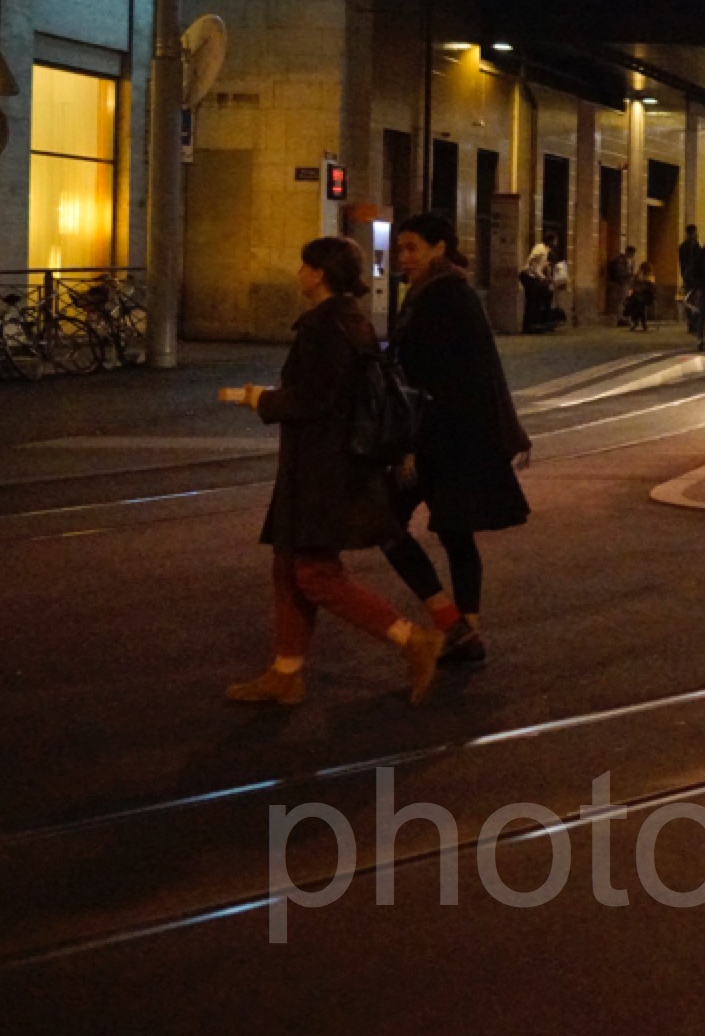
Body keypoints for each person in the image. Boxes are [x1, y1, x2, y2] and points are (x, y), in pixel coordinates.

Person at [224, 236, 441, 707]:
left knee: (316, 573)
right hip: (324, 463)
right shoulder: (350, 321)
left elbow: (315, 398)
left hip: (324, 469)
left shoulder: (326, 327)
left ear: (319, 273)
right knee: (287, 565)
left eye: (305, 266)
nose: (299, 273)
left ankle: (413, 640)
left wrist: (261, 399)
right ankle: (285, 671)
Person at [377, 213, 531, 670]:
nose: (403, 258)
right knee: (455, 533)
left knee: (384, 524)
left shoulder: (441, 296)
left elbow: (429, 378)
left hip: (439, 439)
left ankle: (456, 627)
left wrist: (408, 448)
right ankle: (466, 631)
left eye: (412, 248)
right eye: (400, 249)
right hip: (458, 437)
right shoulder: (446, 289)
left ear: (438, 248)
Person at [519, 232, 554, 334]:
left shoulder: (541, 248)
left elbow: (537, 263)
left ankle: (531, 325)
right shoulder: (542, 251)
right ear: (550, 241)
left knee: (533, 300)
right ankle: (531, 326)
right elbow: (535, 267)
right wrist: (543, 278)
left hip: (528, 275)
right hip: (529, 276)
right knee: (533, 301)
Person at [677, 224, 704, 333]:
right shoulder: (688, 247)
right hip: (691, 278)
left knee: (695, 301)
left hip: (693, 278)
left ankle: (694, 322)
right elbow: (684, 263)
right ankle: (692, 323)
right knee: (691, 301)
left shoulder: (693, 246)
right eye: (694, 233)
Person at [605, 245, 635, 325]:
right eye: (632, 253)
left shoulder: (630, 261)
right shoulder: (621, 260)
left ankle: (624, 318)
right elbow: (620, 272)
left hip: (626, 283)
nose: (632, 255)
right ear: (628, 252)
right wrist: (628, 275)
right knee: (621, 301)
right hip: (621, 283)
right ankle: (621, 318)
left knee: (625, 301)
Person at [627, 261, 657, 331]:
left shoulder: (646, 275)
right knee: (640, 310)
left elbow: (651, 286)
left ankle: (638, 323)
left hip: (641, 295)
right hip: (639, 295)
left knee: (640, 310)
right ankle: (641, 324)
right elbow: (635, 284)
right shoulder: (641, 275)